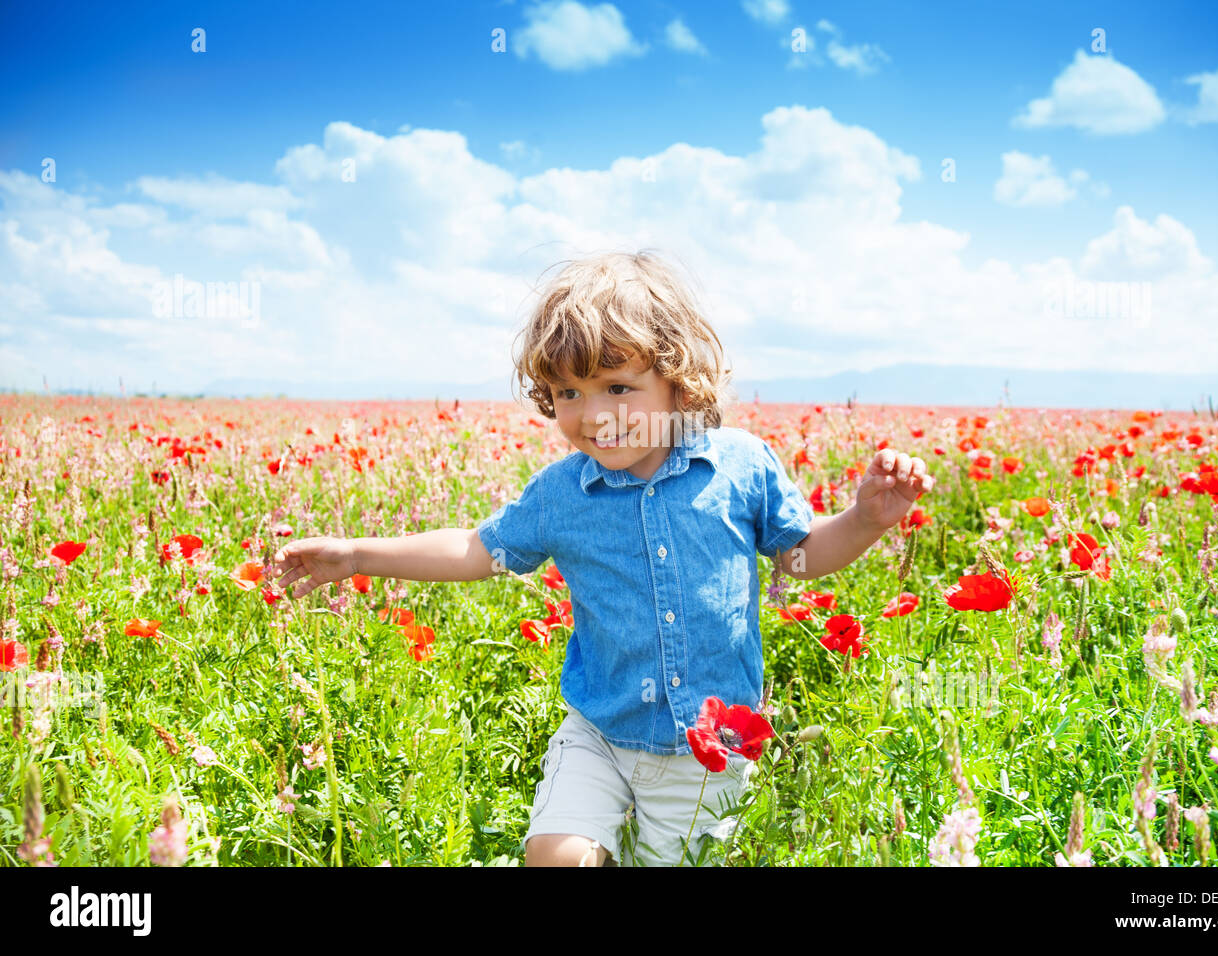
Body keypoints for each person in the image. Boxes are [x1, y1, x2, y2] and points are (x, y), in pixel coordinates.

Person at [271, 250, 935, 867]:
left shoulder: (739, 466)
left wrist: (865, 519)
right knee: (554, 856)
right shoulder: (563, 493)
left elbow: (801, 558)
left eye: (618, 388)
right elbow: (478, 550)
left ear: (679, 381)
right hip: (598, 733)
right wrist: (356, 553)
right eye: (568, 394)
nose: (593, 414)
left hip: (709, 753)